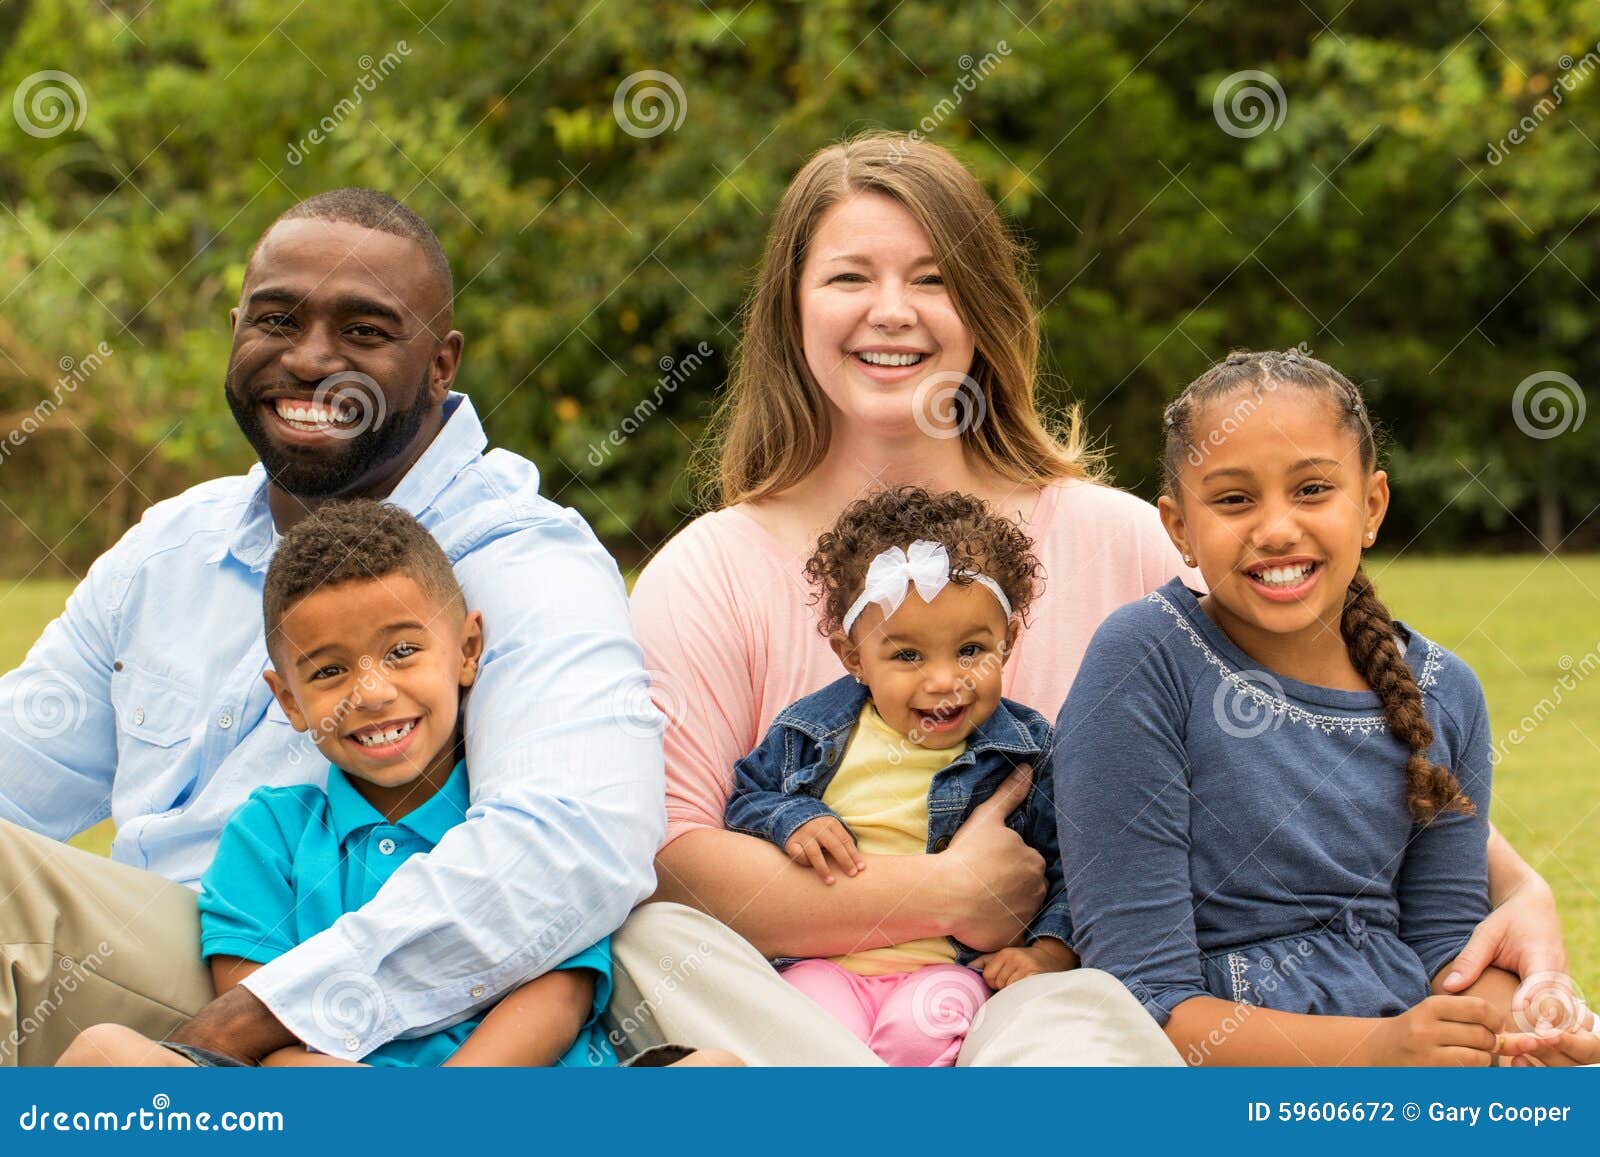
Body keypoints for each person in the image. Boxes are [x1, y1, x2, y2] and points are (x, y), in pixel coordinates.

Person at [618, 132, 1567, 1065]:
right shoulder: (709, 571)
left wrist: (1517, 885)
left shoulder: (1120, 538)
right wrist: (943, 892)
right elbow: (671, 854)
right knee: (648, 947)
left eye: (936, 278)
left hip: (1034, 992)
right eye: (849, 278)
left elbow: (1319, 722)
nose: (892, 311)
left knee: (1088, 1010)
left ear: (985, 308)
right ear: (789, 311)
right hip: (804, 1009)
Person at [0, 189, 663, 1066]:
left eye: (363, 331)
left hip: (345, 1000)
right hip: (169, 967)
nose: (311, 360)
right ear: (235, 327)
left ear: (440, 363)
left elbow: (570, 847)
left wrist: (256, 1020)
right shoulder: (172, 545)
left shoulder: (520, 562)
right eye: (277, 318)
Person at [1054, 349, 1599, 1066]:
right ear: (1179, 525)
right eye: (1233, 499)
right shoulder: (1147, 658)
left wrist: (1537, 1027)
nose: (1277, 528)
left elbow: (1446, 951)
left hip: (1408, 1053)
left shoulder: (1445, 690)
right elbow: (1144, 1000)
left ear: (1371, 505)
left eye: (1312, 489)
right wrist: (1375, 1050)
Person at [725, 488, 1073, 1065]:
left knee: (921, 1031)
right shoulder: (811, 735)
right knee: (812, 1031)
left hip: (945, 972)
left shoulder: (1027, 754)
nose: (943, 680)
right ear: (852, 655)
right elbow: (746, 800)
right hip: (824, 964)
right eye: (908, 656)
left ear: (1007, 642)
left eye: (970, 650)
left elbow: (1071, 869)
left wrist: (1048, 953)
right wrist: (792, 818)